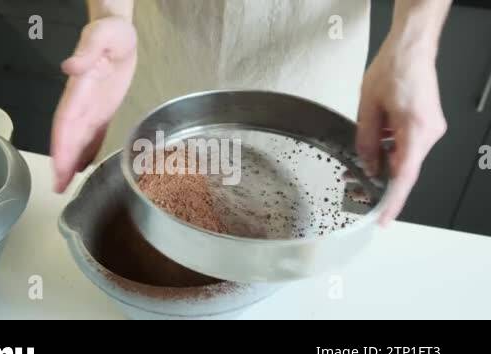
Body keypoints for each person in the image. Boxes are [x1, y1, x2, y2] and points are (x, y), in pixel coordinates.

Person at [51, 0, 450, 226]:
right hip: (157, 53)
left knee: (296, 240)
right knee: (141, 223)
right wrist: (111, 16)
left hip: (306, 67)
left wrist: (413, 43)